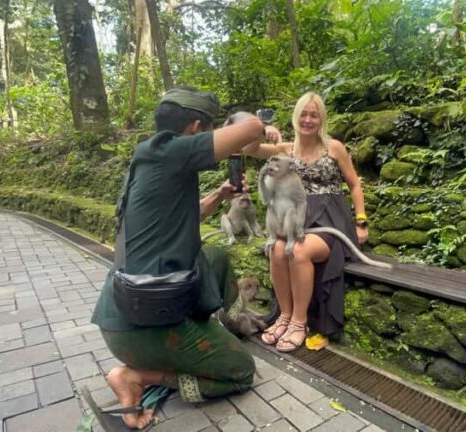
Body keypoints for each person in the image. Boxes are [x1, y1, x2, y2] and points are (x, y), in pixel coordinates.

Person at [90, 87, 275, 429]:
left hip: (127, 310)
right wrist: (246, 123)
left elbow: (188, 213)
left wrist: (220, 195)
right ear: (194, 128)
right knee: (240, 372)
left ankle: (237, 325)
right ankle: (138, 376)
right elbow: (251, 130)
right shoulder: (171, 150)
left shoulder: (152, 155)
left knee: (215, 254)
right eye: (208, 130)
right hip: (141, 327)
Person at [240, 91, 369, 352]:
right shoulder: (285, 150)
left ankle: (300, 322)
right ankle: (284, 316)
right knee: (276, 248)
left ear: (321, 120)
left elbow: (354, 184)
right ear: (295, 117)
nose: (308, 120)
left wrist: (361, 221)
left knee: (297, 249)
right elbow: (248, 150)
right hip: (298, 219)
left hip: (331, 221)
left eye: (314, 115)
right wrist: (262, 130)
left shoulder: (334, 148)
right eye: (304, 114)